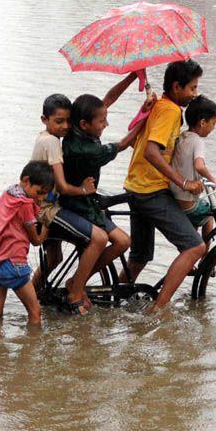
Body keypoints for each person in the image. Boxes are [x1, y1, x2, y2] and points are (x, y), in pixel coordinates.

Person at [122, 60, 208, 313]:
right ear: (176, 87)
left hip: (136, 186)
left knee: (139, 258)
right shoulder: (169, 111)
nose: (195, 94)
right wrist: (183, 182)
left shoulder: (159, 104)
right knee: (195, 246)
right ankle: (158, 310)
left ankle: (112, 299)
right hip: (151, 191)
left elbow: (139, 143)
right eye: (192, 88)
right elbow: (151, 152)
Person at [58, 94, 144, 313]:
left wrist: (134, 83)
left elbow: (106, 100)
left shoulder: (80, 129)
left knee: (123, 241)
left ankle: (77, 281)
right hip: (77, 204)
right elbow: (123, 144)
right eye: (102, 121)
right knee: (102, 239)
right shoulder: (88, 151)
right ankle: (76, 291)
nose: (106, 124)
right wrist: (146, 119)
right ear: (84, 124)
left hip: (89, 202)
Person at [29, 94, 104, 307]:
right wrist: (83, 190)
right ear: (44, 119)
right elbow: (62, 186)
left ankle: (31, 296)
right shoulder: (52, 142)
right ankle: (75, 292)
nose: (65, 126)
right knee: (98, 238)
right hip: (46, 208)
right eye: (59, 121)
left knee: (54, 259)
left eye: (68, 121)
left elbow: (101, 106)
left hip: (36, 205)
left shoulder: (45, 137)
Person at [0, 161, 55, 325]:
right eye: (39, 192)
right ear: (26, 180)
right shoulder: (24, 204)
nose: (41, 198)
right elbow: (36, 241)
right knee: (35, 312)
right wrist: (46, 226)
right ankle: (32, 342)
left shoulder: (7, 194)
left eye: (44, 194)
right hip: (14, 263)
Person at [170, 95, 216, 252]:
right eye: (213, 123)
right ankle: (205, 258)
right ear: (202, 122)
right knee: (210, 215)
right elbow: (199, 166)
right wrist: (213, 180)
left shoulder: (181, 137)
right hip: (188, 203)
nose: (213, 128)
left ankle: (190, 253)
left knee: (193, 228)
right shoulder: (198, 141)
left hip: (174, 198)